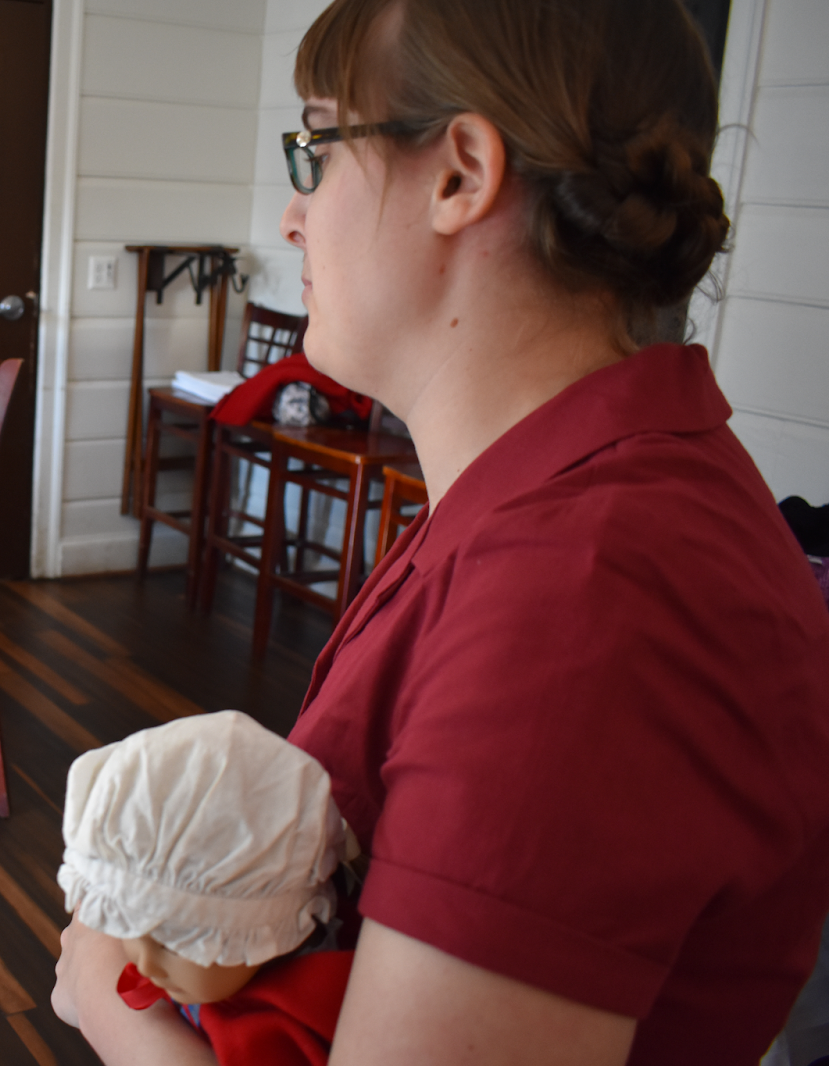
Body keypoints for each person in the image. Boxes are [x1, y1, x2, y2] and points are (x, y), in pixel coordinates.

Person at [51, 1, 829, 1064]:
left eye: (315, 148)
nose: (292, 216)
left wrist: (107, 991)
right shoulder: (537, 504)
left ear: (461, 172)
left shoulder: (592, 589)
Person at [56, 712, 354, 1064]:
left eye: (177, 944)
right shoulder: (218, 977)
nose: (146, 964)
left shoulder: (270, 1035)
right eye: (130, 926)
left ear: (269, 932)